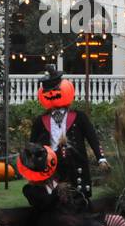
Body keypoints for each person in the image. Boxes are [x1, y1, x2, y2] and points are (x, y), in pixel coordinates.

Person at [28, 68, 107, 198]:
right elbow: (32, 145)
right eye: (48, 92)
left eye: (55, 90)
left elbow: (92, 138)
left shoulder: (79, 117)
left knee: (78, 197)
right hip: (52, 165)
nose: (52, 94)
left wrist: (101, 157)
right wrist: (31, 165)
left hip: (75, 164)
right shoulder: (40, 121)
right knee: (53, 197)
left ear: (64, 89)